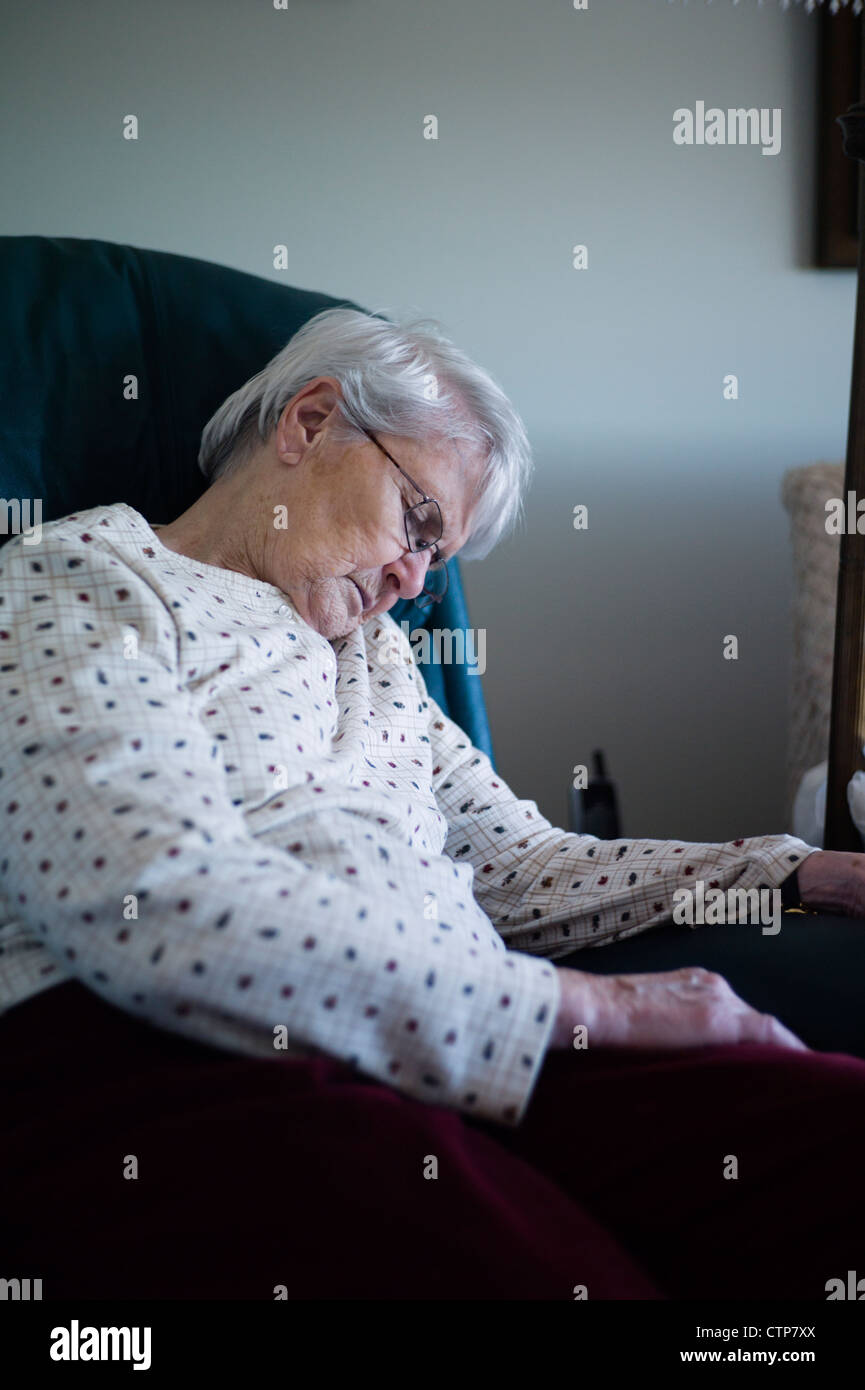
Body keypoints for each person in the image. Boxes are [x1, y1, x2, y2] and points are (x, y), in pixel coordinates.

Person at [2, 307, 864, 1301]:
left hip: (448, 1028)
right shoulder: (86, 579)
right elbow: (152, 898)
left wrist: (793, 867)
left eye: (436, 560)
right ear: (309, 423)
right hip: (177, 1048)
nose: (413, 583)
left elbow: (526, 868)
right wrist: (592, 1006)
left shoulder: (377, 665)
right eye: (415, 524)